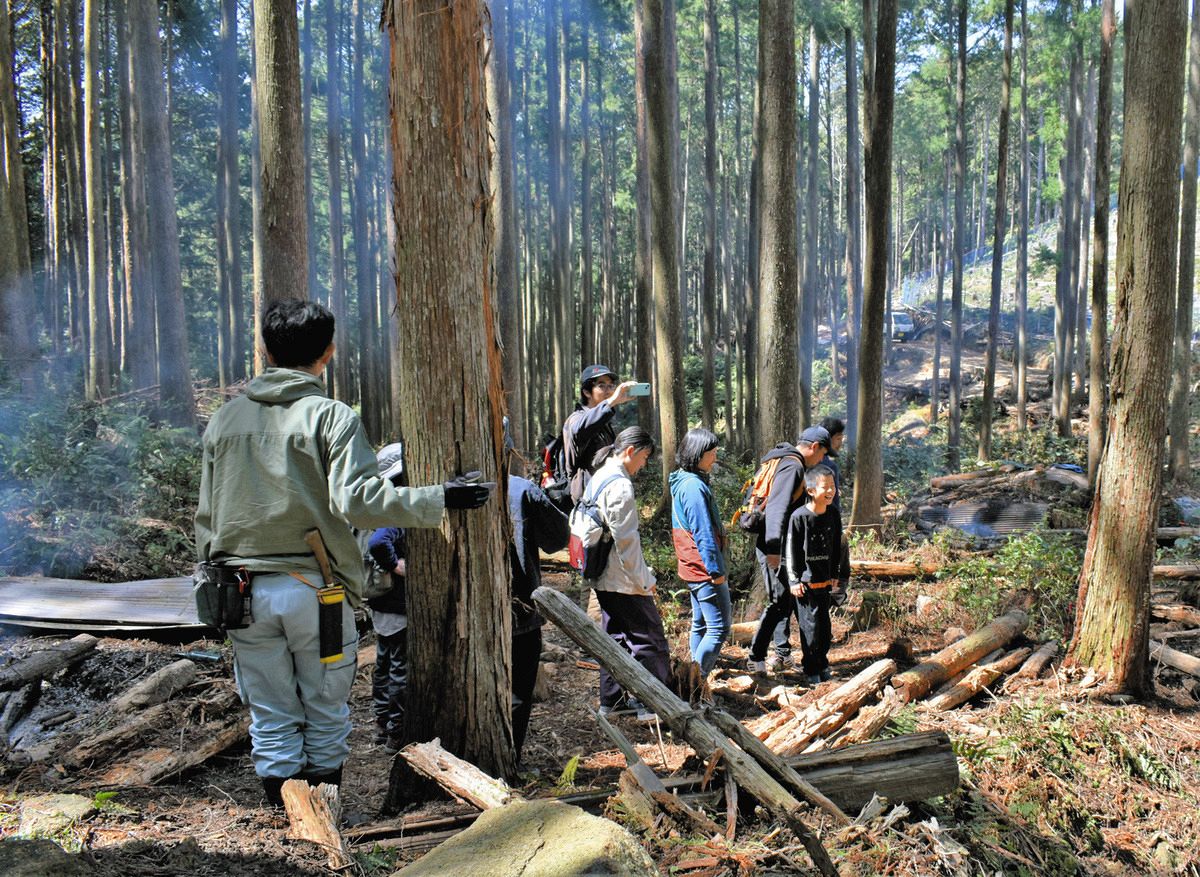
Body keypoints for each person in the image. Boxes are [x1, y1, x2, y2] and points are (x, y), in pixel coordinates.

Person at [195, 299, 493, 806]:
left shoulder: (225, 420)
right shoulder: (331, 417)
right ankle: (322, 816)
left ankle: (287, 817)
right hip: (317, 595)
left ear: (264, 349)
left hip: (240, 594)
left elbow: (206, 519)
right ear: (329, 352)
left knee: (269, 711)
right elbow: (359, 501)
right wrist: (440, 497)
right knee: (325, 708)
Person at [585, 426, 669, 722]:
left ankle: (613, 701)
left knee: (615, 638)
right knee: (649, 638)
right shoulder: (619, 484)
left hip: (602, 575)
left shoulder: (598, 476)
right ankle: (655, 704)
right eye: (644, 457)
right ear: (631, 451)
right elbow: (627, 541)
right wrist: (644, 581)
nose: (643, 465)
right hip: (622, 578)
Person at [749, 425, 831, 673]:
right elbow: (777, 507)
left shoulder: (783, 459)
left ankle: (780, 654)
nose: (821, 460)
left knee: (783, 601)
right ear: (814, 447)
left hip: (780, 545)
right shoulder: (793, 466)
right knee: (778, 602)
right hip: (773, 546)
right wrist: (774, 549)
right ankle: (756, 656)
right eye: (822, 454)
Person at [507, 461, 569, 762]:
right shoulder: (520, 489)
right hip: (519, 610)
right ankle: (509, 759)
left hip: (462, 620)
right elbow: (557, 538)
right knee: (519, 691)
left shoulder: (442, 488)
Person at [669, 428, 730, 677]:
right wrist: (715, 570)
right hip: (702, 567)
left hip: (691, 564)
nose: (714, 458)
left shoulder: (684, 479)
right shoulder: (693, 486)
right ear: (697, 454)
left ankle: (693, 673)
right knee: (719, 628)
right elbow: (702, 531)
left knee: (701, 624)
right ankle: (696, 681)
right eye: (711, 453)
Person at [365, 443, 410, 755]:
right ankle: (396, 732)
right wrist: (397, 565)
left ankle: (382, 724)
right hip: (395, 604)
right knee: (399, 669)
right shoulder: (397, 506)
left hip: (379, 601)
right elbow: (379, 543)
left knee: (384, 663)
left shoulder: (376, 503)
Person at [783, 465, 846, 683]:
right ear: (810, 490)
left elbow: (837, 547)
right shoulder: (799, 517)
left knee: (824, 628)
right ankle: (811, 670)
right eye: (825, 487)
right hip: (805, 585)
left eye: (833, 486)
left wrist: (836, 573)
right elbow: (790, 551)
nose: (831, 491)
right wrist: (793, 580)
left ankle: (823, 663)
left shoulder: (833, 514)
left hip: (825, 583)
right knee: (809, 629)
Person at [562, 365, 640, 504]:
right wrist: (613, 401)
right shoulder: (576, 418)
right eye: (602, 386)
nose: (609, 391)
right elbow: (580, 430)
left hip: (606, 492)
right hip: (587, 497)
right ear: (587, 392)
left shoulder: (604, 420)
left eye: (611, 386)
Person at [818, 416, 852, 607]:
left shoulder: (810, 460)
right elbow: (833, 503)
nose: (842, 442)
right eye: (839, 437)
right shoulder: (828, 466)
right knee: (840, 557)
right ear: (829, 439)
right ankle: (836, 597)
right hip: (826, 525)